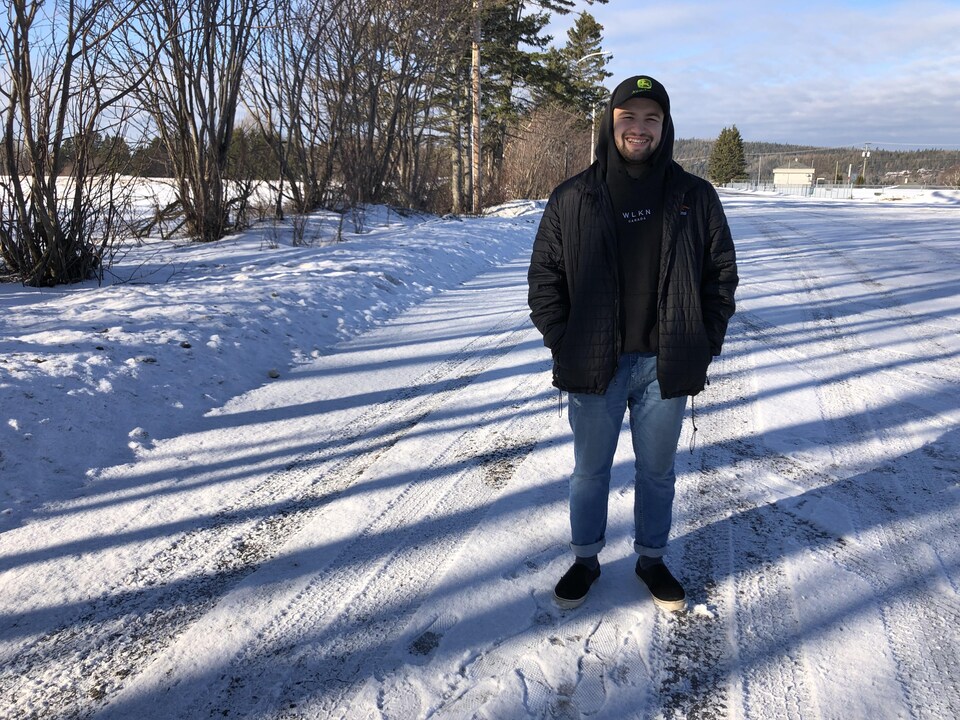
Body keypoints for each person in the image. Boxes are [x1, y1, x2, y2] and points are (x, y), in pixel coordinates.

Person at [527, 75, 738, 612]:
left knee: (657, 472)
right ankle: (585, 559)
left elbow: (721, 275)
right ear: (611, 123)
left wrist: (702, 341)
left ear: (665, 127)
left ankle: (651, 558)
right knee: (589, 472)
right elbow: (544, 280)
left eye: (651, 118)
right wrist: (564, 342)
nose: (639, 129)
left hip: (663, 365)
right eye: (629, 118)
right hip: (595, 364)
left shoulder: (694, 196)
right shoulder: (574, 196)